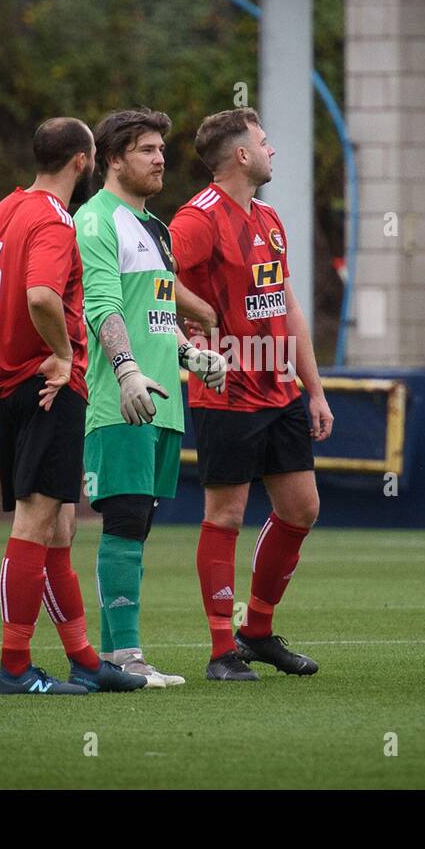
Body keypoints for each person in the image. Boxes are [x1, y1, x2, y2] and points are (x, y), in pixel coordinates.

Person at [0, 117, 145, 696]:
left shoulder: (0, 212)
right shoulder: (55, 219)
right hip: (46, 389)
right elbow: (39, 296)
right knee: (36, 521)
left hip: (12, 385)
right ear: (83, 161)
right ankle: (14, 668)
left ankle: (83, 660)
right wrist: (58, 354)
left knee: (59, 525)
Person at [169, 107, 333, 682]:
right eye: (264, 142)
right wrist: (192, 337)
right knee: (226, 514)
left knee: (301, 508)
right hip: (227, 391)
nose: (272, 150)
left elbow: (287, 308)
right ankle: (221, 651)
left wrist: (314, 389)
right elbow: (159, 288)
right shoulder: (195, 220)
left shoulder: (269, 219)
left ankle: (257, 631)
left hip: (281, 391)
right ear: (241, 155)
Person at [74, 108, 227, 687]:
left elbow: (155, 315)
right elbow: (103, 307)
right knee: (124, 518)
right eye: (146, 149)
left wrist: (193, 358)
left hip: (163, 401)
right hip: (123, 398)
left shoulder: (157, 229)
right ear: (113, 159)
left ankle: (117, 661)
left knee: (139, 527)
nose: (161, 158)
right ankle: (126, 658)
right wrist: (128, 371)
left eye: (162, 148)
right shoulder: (96, 221)